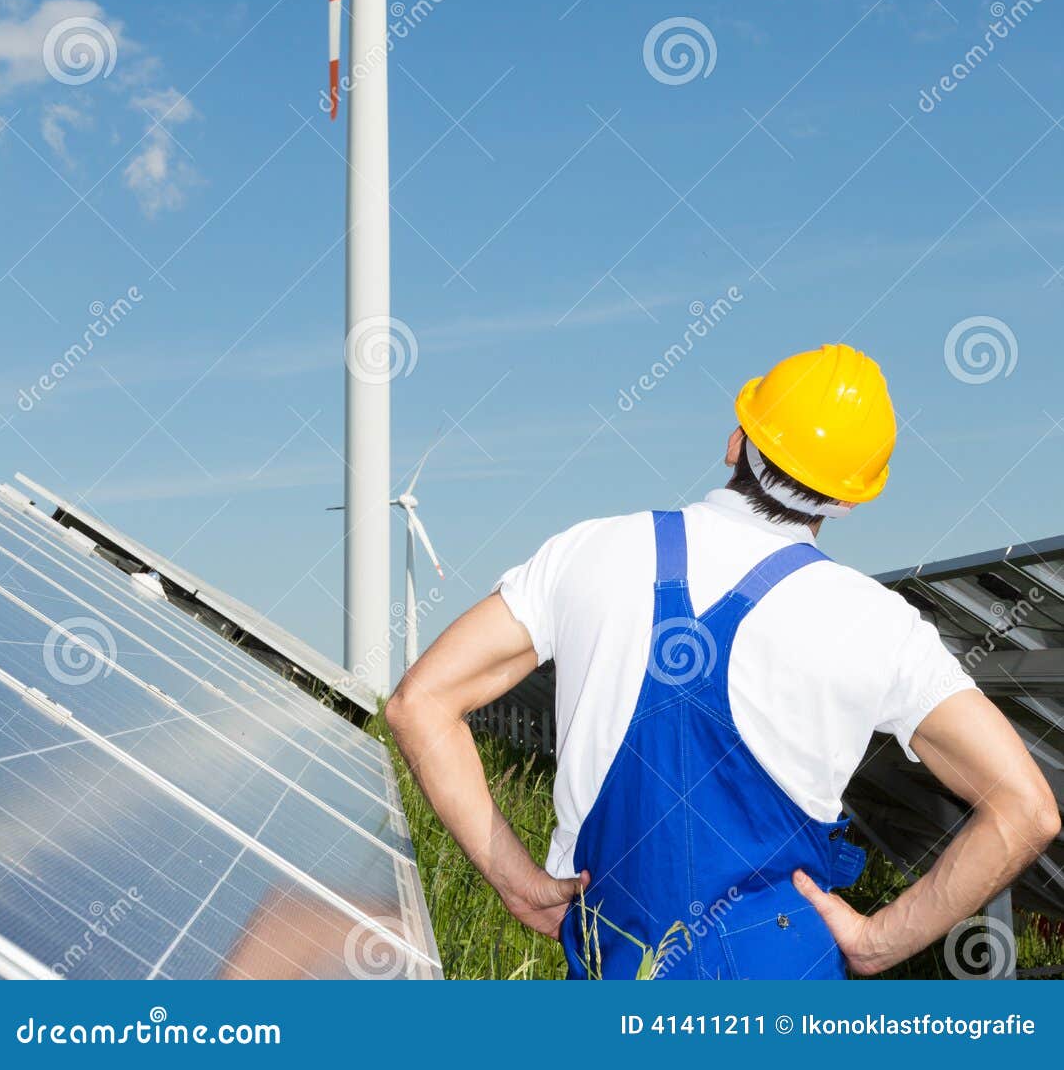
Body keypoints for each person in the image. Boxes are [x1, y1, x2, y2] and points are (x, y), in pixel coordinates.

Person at [386, 344, 1059, 978]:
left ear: (736, 442)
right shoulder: (879, 624)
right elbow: (1025, 810)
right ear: (852, 497)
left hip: (617, 960)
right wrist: (877, 941)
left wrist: (516, 881)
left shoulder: (588, 552)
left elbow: (420, 704)